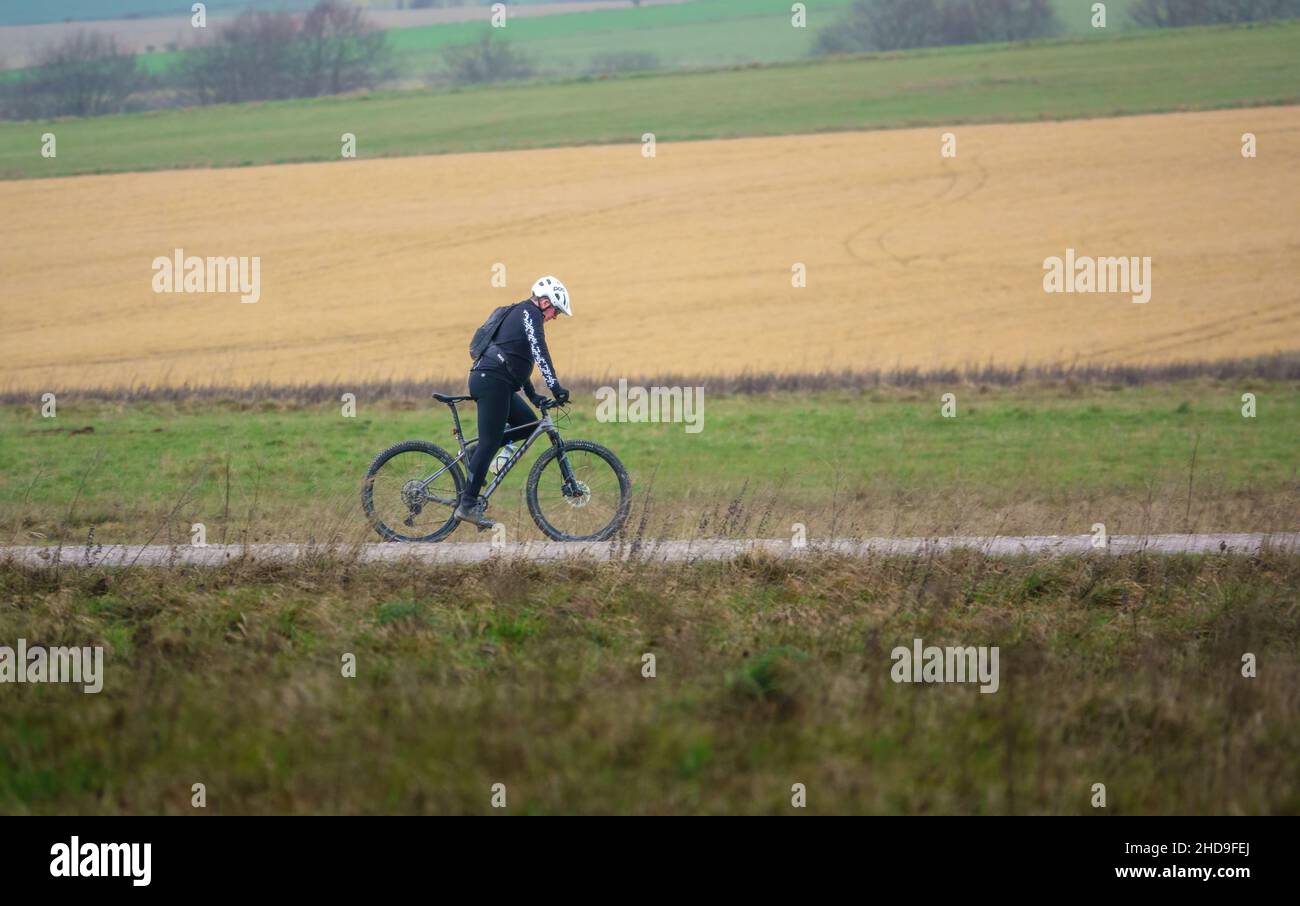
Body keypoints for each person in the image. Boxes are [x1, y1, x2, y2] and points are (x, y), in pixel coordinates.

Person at [455, 276, 572, 529]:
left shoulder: (525, 315)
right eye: (555, 310)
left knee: (529, 426)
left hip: (497, 380)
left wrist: (532, 396)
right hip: (491, 381)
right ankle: (467, 505)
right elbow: (539, 351)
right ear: (543, 302)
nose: (555, 316)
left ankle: (472, 456)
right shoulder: (529, 313)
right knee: (490, 442)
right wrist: (555, 387)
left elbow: (515, 361)